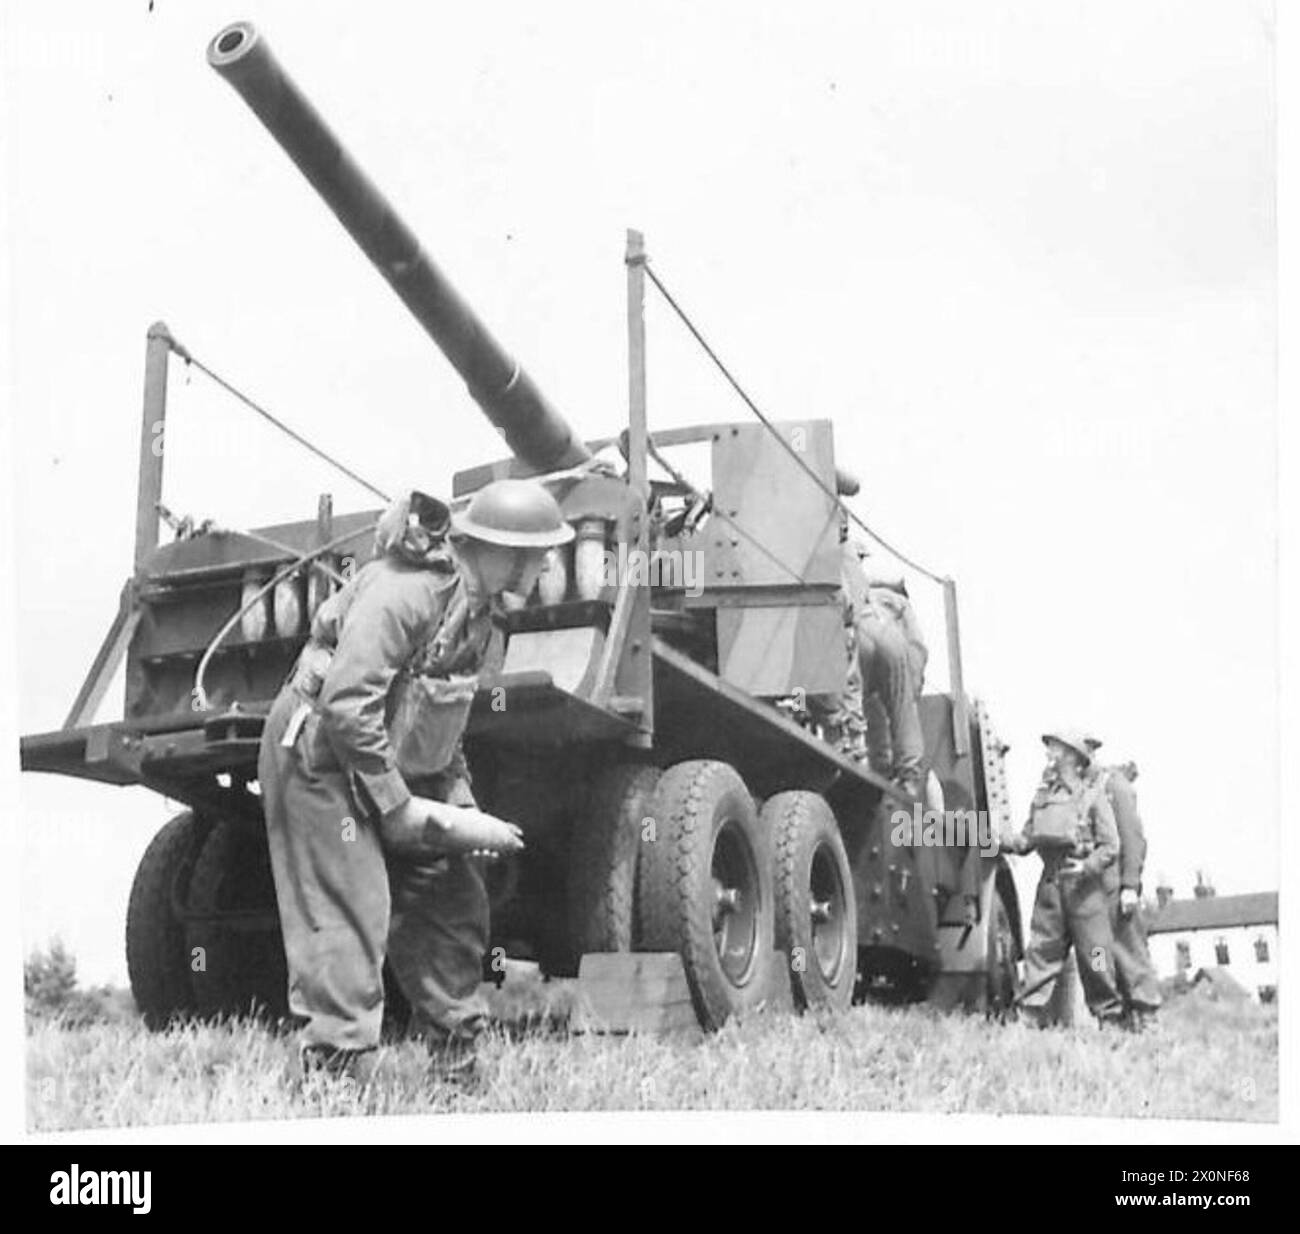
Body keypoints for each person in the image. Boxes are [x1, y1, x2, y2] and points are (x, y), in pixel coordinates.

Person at [258, 479, 573, 1082]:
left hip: (384, 755)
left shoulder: (482, 622)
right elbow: (347, 706)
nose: (547, 562)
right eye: (539, 550)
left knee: (453, 894)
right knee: (352, 904)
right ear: (503, 550)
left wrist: (459, 809)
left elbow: (439, 731)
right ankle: (334, 1076)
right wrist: (397, 809)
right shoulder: (406, 592)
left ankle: (456, 1065)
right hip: (319, 752)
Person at [1001, 727, 1125, 1027]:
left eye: (1054, 749)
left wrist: (1087, 867)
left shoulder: (1094, 797)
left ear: (1071, 756)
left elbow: (1111, 846)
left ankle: (1108, 1017)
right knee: (1041, 952)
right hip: (1051, 888)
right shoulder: (1042, 798)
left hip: (1085, 892)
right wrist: (988, 838)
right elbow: (1024, 841)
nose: (1048, 755)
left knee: (1095, 955)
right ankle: (1028, 1016)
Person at [1083, 734, 1162, 1031]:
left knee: (1130, 953)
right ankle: (1113, 1019)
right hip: (1089, 897)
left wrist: (1131, 885)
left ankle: (1146, 1017)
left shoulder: (1115, 787)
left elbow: (1133, 838)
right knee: (1099, 957)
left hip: (1116, 889)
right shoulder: (1077, 792)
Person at [852, 548, 928, 796]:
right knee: (900, 709)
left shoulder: (842, 582)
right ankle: (910, 778)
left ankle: (860, 759)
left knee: (856, 701)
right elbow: (917, 647)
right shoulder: (898, 602)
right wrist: (911, 690)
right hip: (891, 639)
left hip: (857, 635)